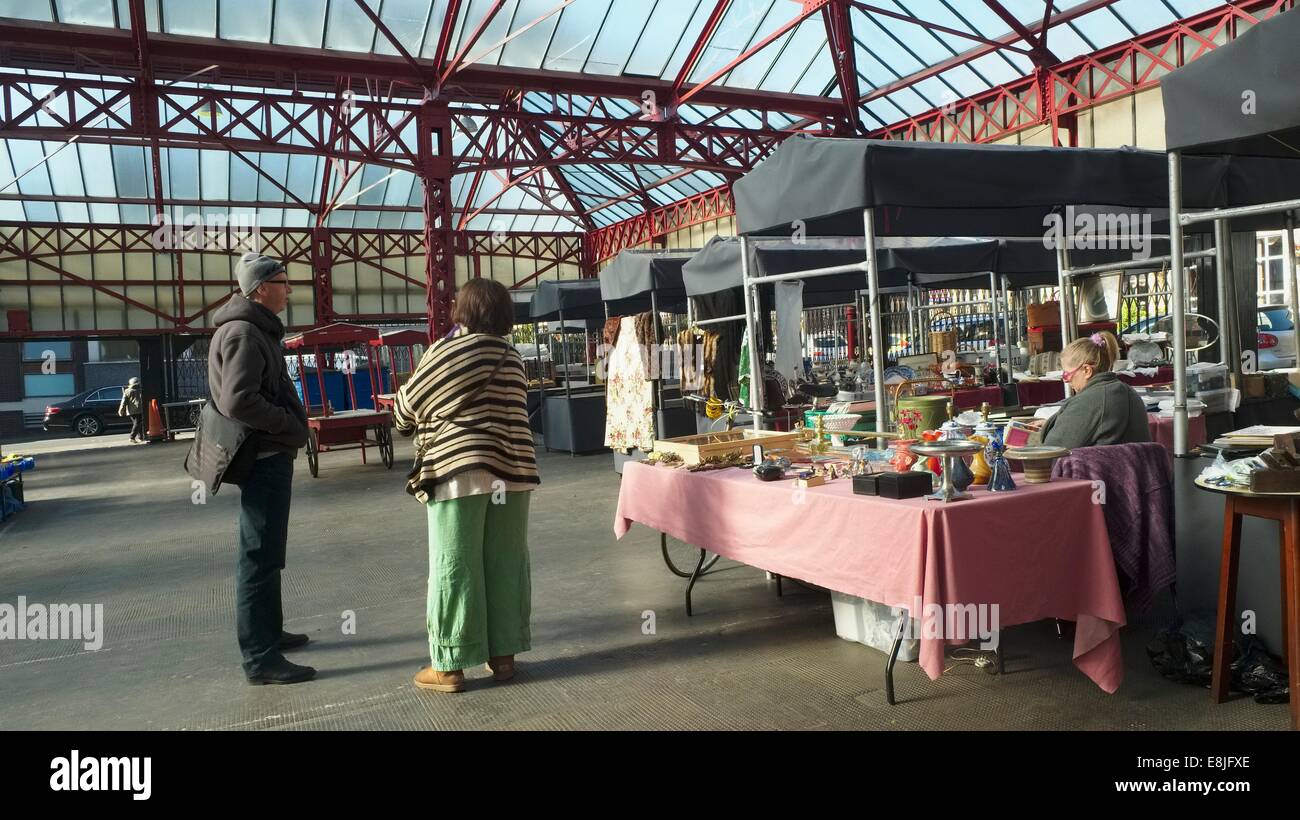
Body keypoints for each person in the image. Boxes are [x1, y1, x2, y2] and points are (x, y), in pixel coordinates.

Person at [394, 278, 540, 694]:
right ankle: (504, 656)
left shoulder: (446, 350)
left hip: (461, 471)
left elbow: (407, 409)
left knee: (455, 565)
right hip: (513, 472)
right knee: (505, 561)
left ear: (465, 310)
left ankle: (450, 666)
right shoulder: (512, 357)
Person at [209, 252, 313, 685]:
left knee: (268, 554)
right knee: (258, 558)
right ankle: (260, 658)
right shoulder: (244, 333)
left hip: (269, 455)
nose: (289, 289)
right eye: (284, 282)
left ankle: (270, 633)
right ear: (260, 289)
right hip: (264, 457)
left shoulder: (252, 330)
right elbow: (238, 400)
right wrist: (288, 424)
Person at [1037, 331, 1151, 449]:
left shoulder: (1089, 401)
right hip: (1135, 466)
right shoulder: (1127, 391)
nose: (1066, 380)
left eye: (1067, 374)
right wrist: (1052, 425)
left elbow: (1052, 448)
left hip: (1104, 467)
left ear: (1086, 370)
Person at [118, 377, 144, 443]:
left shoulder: (127, 391)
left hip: (130, 411)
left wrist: (121, 410)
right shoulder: (141, 389)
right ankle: (132, 437)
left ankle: (141, 437)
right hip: (139, 409)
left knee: (137, 423)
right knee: (138, 423)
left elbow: (123, 402)